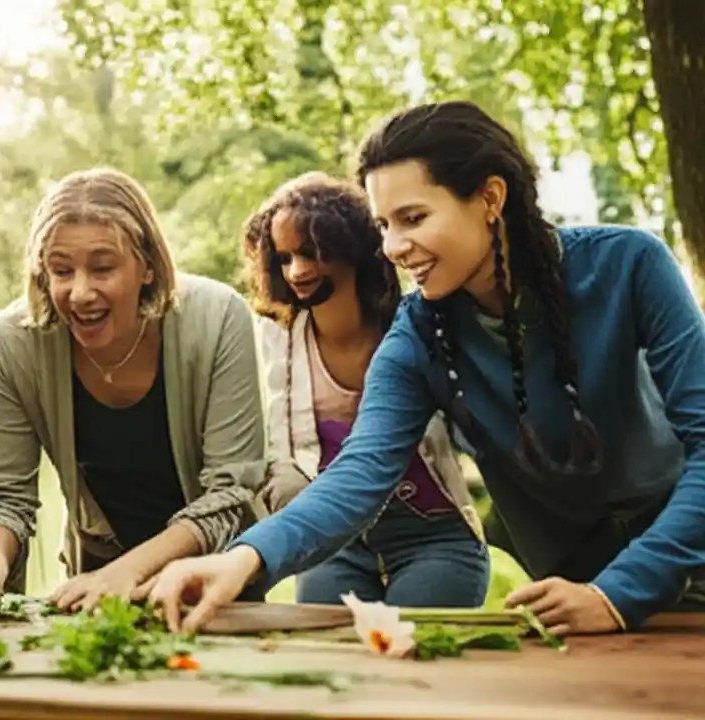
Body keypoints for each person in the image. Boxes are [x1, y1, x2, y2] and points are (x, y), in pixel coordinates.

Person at [149, 100, 705, 636]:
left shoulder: (628, 264)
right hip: (570, 598)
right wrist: (243, 559)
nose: (391, 246)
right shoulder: (418, 333)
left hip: (688, 560)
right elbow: (356, 474)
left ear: (490, 197)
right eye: (383, 224)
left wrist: (617, 593)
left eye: (412, 218)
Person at [0, 167, 266, 615]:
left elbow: (230, 495)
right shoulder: (12, 344)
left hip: (211, 579)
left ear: (147, 265)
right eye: (60, 270)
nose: (79, 293)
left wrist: (128, 571)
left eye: (102, 268)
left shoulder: (218, 319)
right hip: (96, 578)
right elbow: (5, 494)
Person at [244, 171, 488, 607]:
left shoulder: (413, 326)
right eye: (284, 258)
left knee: (417, 653)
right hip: (336, 543)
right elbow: (282, 453)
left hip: (433, 536)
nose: (297, 270)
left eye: (311, 253)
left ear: (350, 248)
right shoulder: (280, 339)